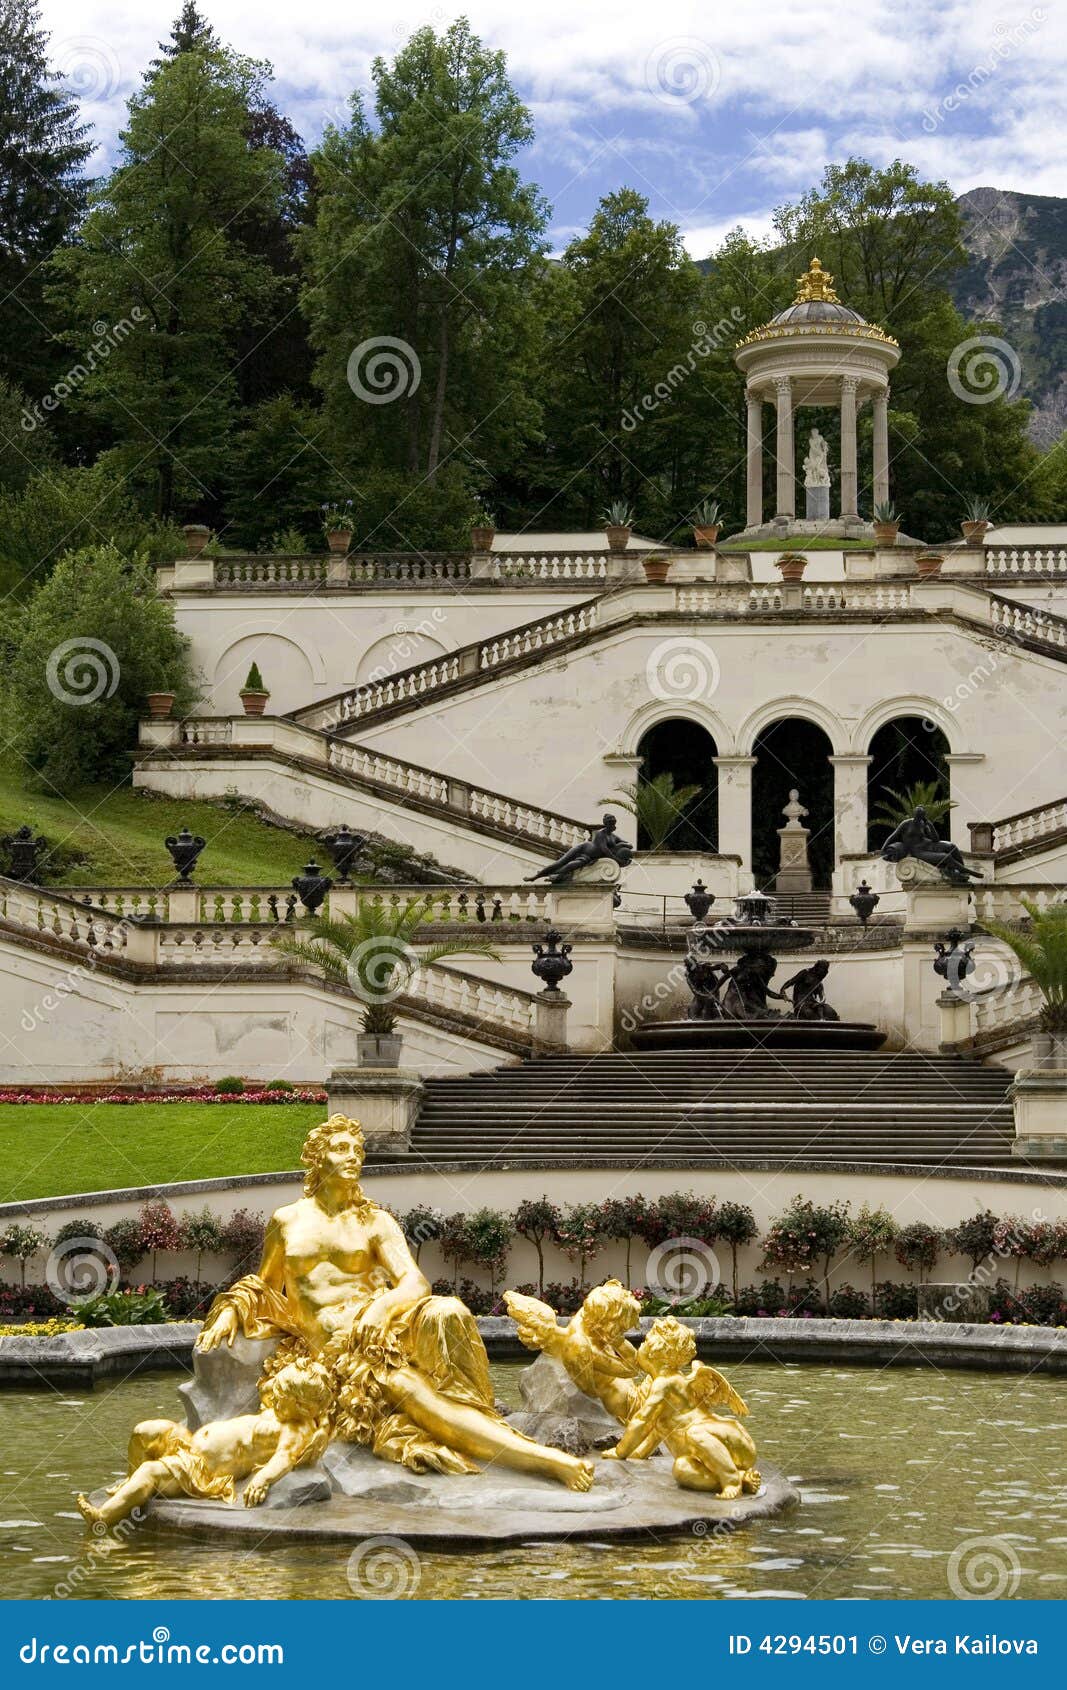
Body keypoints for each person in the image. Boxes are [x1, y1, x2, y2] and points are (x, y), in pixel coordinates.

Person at [195, 1115, 593, 1491]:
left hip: (382, 1330)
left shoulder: (375, 1222)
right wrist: (232, 1309)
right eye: (340, 1148)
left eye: (357, 1149)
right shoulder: (286, 1221)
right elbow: (264, 1286)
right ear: (318, 1160)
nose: (353, 1156)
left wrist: (383, 1308)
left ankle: (477, 1411)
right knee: (415, 1394)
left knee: (448, 1309)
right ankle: (544, 1460)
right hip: (334, 1350)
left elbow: (414, 1281)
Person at [77, 1359, 333, 1529]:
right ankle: (130, 1484)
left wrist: (263, 1480)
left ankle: (103, 1517)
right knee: (144, 1431)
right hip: (189, 1443)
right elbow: (278, 1390)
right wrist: (322, 1419)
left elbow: (284, 1458)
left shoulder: (295, 1428)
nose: (275, 1398)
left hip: (201, 1469)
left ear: (303, 1407)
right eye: (278, 1392)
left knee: (150, 1472)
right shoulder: (285, 1410)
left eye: (283, 1397)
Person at [603, 1316, 760, 1498]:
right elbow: (658, 1428)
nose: (642, 1346)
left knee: (695, 1433)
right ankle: (742, 1478)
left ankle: (731, 1480)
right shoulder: (665, 1384)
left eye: (646, 1341)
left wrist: (620, 1451)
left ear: (657, 1351)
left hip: (727, 1441)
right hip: (708, 1454)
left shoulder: (666, 1383)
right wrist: (638, 1453)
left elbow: (643, 1420)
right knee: (681, 1469)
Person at [880, 806, 982, 883]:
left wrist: (930, 825)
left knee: (952, 846)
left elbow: (935, 839)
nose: (918, 818)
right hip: (918, 851)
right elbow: (893, 836)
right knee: (945, 857)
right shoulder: (906, 824)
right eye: (917, 815)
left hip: (928, 845)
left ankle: (961, 872)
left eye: (921, 816)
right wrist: (883, 849)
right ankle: (967, 871)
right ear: (914, 814)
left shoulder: (923, 824)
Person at [524, 814, 634, 884]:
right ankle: (536, 876)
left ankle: (555, 875)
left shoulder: (613, 837)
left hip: (589, 857)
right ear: (606, 824)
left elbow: (629, 845)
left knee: (571, 866)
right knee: (560, 863)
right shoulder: (601, 834)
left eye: (613, 823)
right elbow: (605, 850)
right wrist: (618, 859)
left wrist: (621, 846)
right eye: (610, 823)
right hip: (583, 848)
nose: (612, 825)